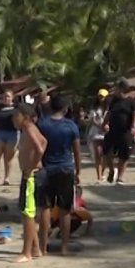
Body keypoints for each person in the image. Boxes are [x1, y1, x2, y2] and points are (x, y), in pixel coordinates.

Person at [36, 95, 82, 256]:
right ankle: (64, 247)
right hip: (65, 168)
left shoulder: (42, 124)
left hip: (46, 168)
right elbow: (76, 151)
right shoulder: (71, 126)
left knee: (44, 208)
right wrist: (78, 170)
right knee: (65, 209)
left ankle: (42, 247)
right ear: (65, 109)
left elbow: (37, 147)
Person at [13, 104, 47, 263]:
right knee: (29, 213)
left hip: (32, 175)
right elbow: (44, 141)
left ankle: (26, 252)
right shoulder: (29, 129)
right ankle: (35, 249)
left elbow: (40, 148)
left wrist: (33, 165)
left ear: (25, 117)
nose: (14, 120)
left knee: (28, 214)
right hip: (32, 174)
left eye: (16, 116)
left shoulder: (29, 129)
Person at [103, 79, 135, 185]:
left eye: (117, 88)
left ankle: (120, 177)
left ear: (121, 89)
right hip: (113, 130)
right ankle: (111, 170)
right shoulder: (113, 101)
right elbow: (109, 113)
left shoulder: (132, 102)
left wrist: (134, 126)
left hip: (125, 131)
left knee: (124, 155)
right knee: (106, 152)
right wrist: (105, 123)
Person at [87, 90, 108, 181]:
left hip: (107, 133)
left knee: (106, 155)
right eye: (100, 96)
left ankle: (103, 172)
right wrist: (101, 126)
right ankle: (99, 176)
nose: (101, 98)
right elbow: (92, 120)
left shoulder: (109, 108)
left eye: (103, 96)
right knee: (98, 154)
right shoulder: (94, 108)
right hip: (96, 132)